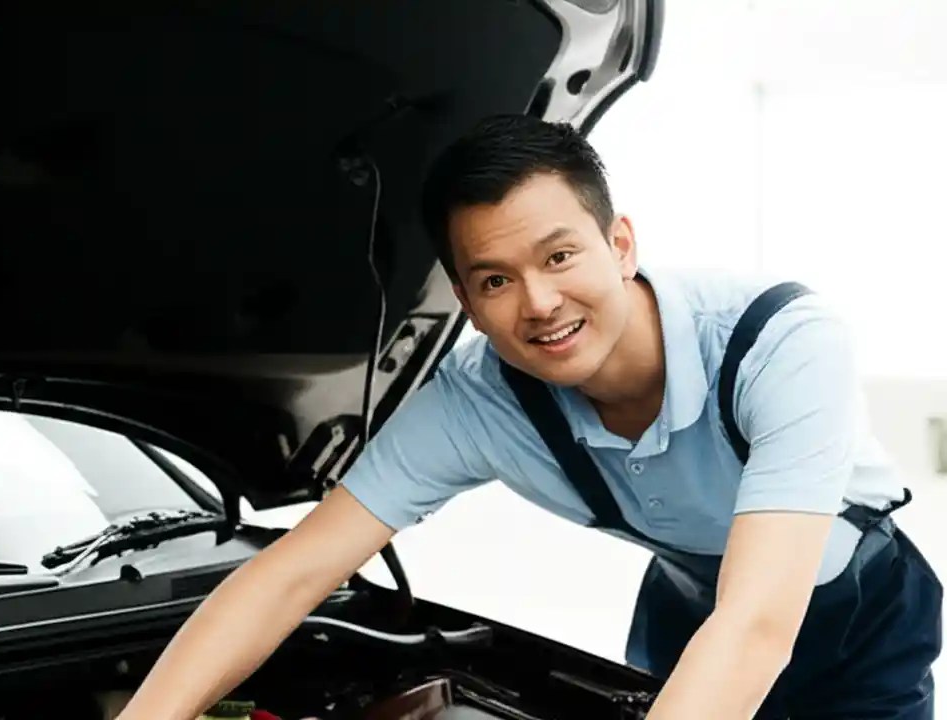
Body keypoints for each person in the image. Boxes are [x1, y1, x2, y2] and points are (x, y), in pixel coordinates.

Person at [114, 114, 943, 720]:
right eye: (496, 279)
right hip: (688, 604)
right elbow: (292, 571)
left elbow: (758, 621)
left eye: (559, 255)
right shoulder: (479, 402)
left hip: (854, 610)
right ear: (466, 299)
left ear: (620, 243)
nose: (540, 304)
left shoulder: (780, 345)